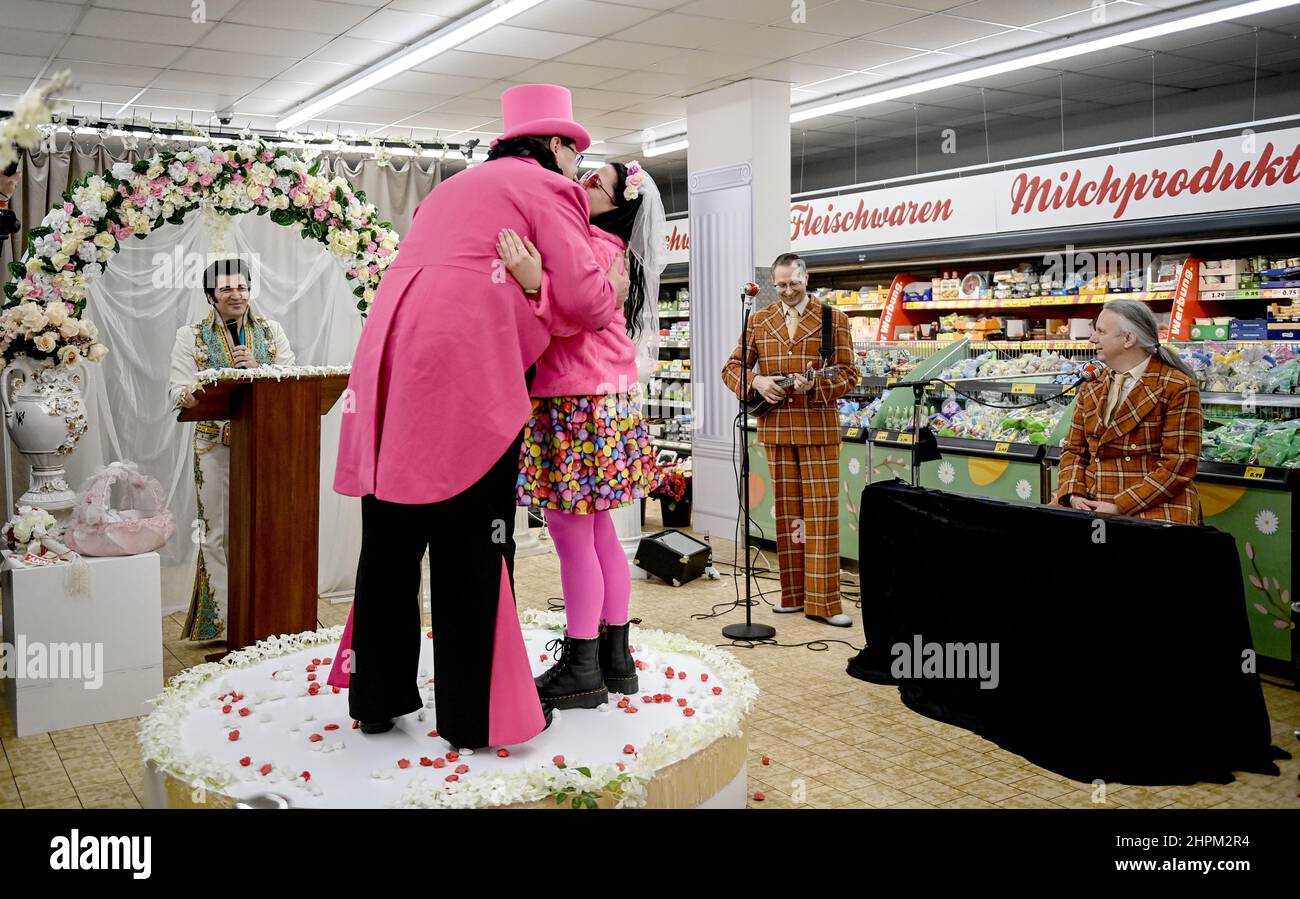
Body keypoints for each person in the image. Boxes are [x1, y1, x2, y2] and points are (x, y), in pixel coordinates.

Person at [332, 84, 630, 750]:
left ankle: (376, 697)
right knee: (473, 545)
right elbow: (589, 300)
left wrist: (531, 287)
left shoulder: (452, 188)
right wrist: (541, 291)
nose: (577, 169)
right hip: (466, 375)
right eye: (574, 152)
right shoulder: (549, 190)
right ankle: (474, 715)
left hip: (388, 366)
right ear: (552, 145)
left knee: (390, 538)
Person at [496, 159, 665, 708]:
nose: (585, 180)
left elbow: (571, 318)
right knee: (600, 536)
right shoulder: (617, 252)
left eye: (599, 182)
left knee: (573, 539)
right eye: (586, 171)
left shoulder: (586, 243)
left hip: (575, 400)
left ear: (620, 204)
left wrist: (529, 282)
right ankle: (616, 658)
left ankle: (582, 663)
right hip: (609, 400)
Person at [721, 253, 859, 627]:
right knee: (788, 516)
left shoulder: (835, 319)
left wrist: (817, 385)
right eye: (780, 285)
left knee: (820, 519)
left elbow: (849, 375)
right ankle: (793, 595)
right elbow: (731, 368)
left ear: (806, 277)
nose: (786, 290)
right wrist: (757, 382)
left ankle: (826, 604)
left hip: (818, 430)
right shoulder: (758, 320)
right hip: (777, 430)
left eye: (793, 283)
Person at [169, 258, 295, 642]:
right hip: (214, 446)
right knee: (218, 532)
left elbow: (292, 378)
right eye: (226, 289)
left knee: (268, 527)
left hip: (265, 445)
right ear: (211, 296)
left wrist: (258, 368)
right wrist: (190, 394)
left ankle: (272, 615)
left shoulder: (271, 332)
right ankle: (227, 622)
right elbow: (177, 387)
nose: (236, 294)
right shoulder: (189, 336)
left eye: (241, 287)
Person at [1056, 299, 1202, 523]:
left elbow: (1179, 464)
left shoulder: (1177, 386)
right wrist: (1074, 492)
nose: (1093, 338)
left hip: (1152, 502)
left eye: (1101, 331)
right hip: (1089, 499)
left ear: (1128, 339)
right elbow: (1073, 449)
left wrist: (1118, 505)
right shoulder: (1092, 383)